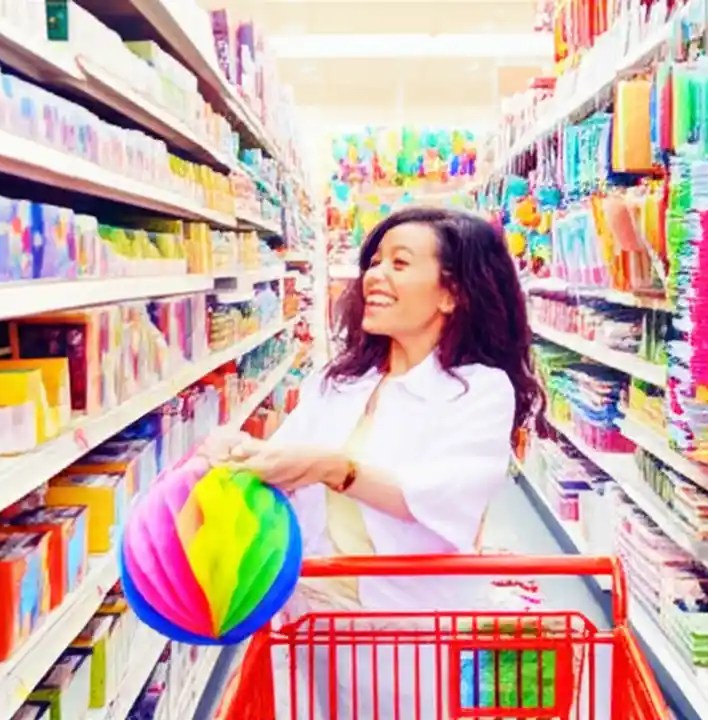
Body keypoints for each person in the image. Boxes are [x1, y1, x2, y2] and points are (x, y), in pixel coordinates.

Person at [203, 205, 543, 715]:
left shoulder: (479, 390)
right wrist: (240, 455)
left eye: (399, 264)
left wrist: (333, 467)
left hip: (404, 628)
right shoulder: (338, 382)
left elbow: (441, 495)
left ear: (453, 293)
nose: (373, 276)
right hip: (311, 618)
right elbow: (284, 466)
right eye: (374, 261)